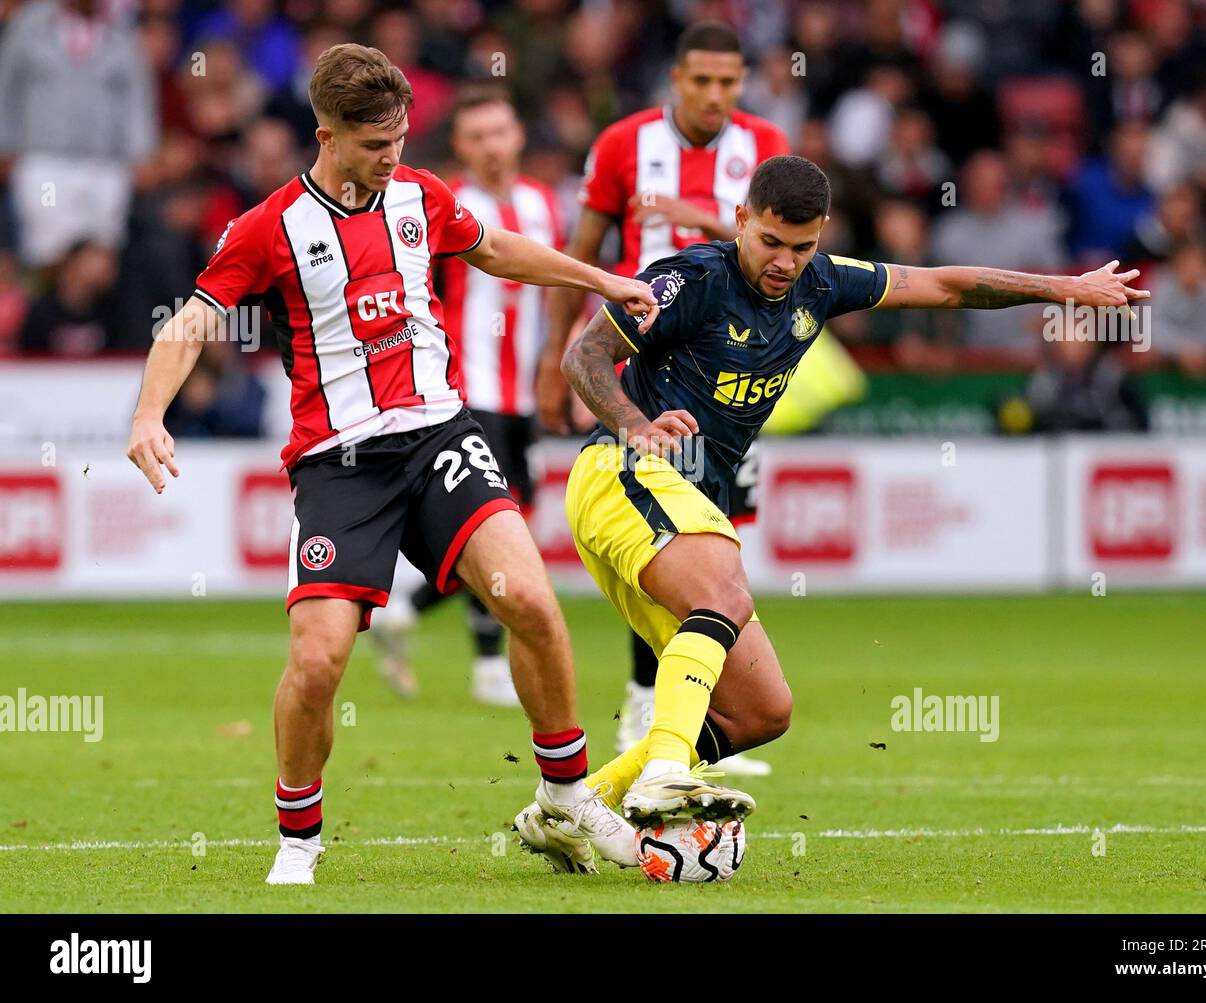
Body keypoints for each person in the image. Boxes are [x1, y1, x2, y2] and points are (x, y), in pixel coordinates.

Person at [517, 154, 1148, 870]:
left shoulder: (823, 283)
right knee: (725, 590)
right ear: (742, 221)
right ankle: (664, 772)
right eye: (771, 242)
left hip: (683, 495)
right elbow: (585, 357)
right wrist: (636, 422)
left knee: (760, 709)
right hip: (622, 471)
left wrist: (1066, 287)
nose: (785, 262)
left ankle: (568, 809)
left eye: (802, 246)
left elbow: (947, 285)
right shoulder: (691, 279)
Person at [126, 44, 658, 885]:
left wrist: (603, 279)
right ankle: (298, 835)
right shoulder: (268, 227)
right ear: (326, 135)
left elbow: (498, 252)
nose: (393, 156)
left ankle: (564, 798)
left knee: (530, 599)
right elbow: (191, 319)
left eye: (402, 138)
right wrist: (149, 414)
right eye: (376, 144)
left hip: (442, 436)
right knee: (317, 663)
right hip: (341, 466)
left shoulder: (422, 195)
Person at [538, 21, 788, 776]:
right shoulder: (621, 145)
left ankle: (681, 704)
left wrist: (710, 221)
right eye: (701, 80)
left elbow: (776, 241)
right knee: (666, 537)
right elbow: (581, 255)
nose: (715, 95)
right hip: (643, 358)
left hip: (732, 365)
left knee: (718, 537)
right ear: (676, 79)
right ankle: (649, 708)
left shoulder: (766, 144)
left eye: (728, 82)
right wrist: (556, 358)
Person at [368, 86, 563, 706]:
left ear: (519, 136)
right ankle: (487, 666)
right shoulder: (443, 207)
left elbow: (555, 289)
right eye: (477, 137)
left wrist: (558, 369)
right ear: (459, 147)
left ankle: (410, 608)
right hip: (467, 390)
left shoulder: (540, 204)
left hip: (525, 394)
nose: (492, 147)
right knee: (492, 525)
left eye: (500, 132)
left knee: (514, 523)